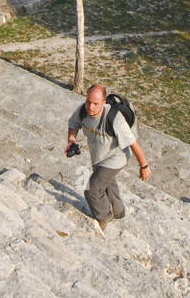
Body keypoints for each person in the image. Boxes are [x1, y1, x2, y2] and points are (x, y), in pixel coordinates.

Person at [65, 84, 151, 231]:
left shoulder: (115, 119)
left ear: (104, 103)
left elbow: (133, 143)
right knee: (107, 182)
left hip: (116, 158)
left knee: (93, 189)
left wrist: (144, 167)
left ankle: (103, 218)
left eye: (95, 104)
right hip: (99, 156)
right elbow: (74, 123)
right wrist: (71, 139)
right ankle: (119, 211)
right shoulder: (82, 111)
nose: (91, 107)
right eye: (88, 102)